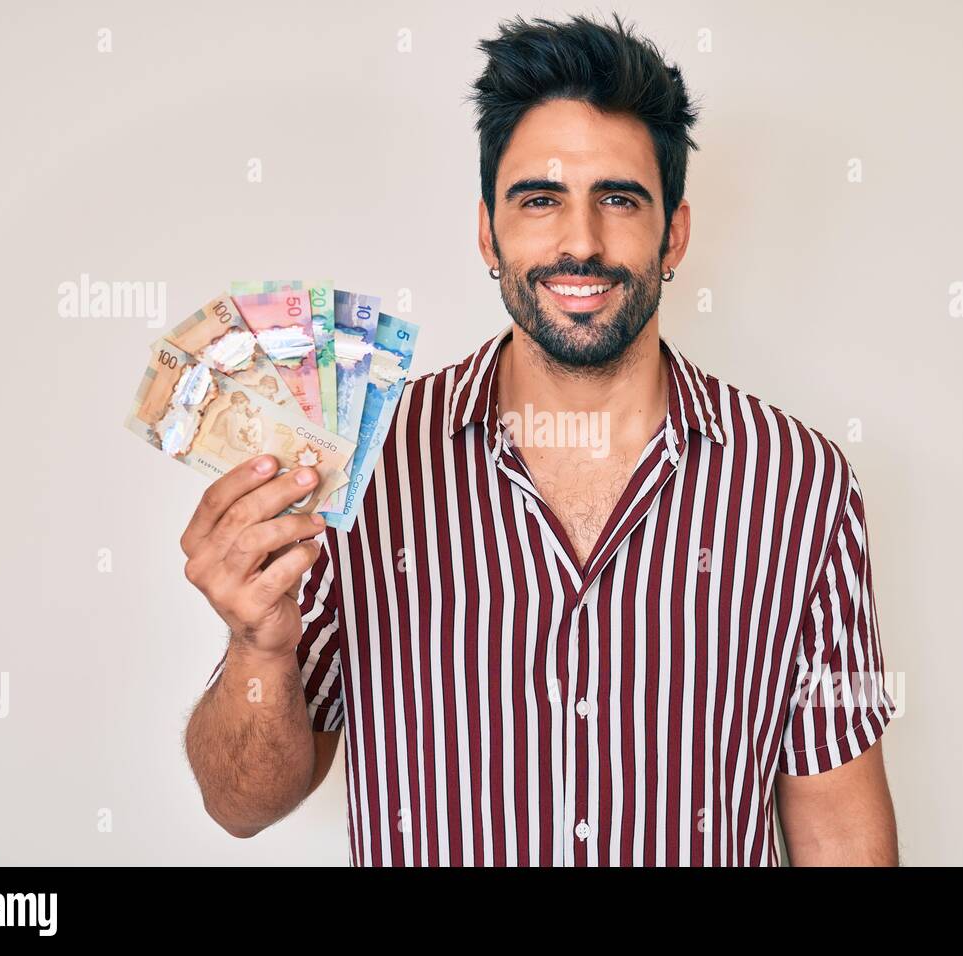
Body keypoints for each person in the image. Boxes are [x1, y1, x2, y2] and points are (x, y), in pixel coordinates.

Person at [182, 12, 898, 866]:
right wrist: (256, 643)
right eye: (540, 199)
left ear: (674, 233)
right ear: (489, 231)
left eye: (619, 200)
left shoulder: (799, 485)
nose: (581, 244)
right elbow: (242, 806)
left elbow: (838, 823)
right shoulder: (358, 464)